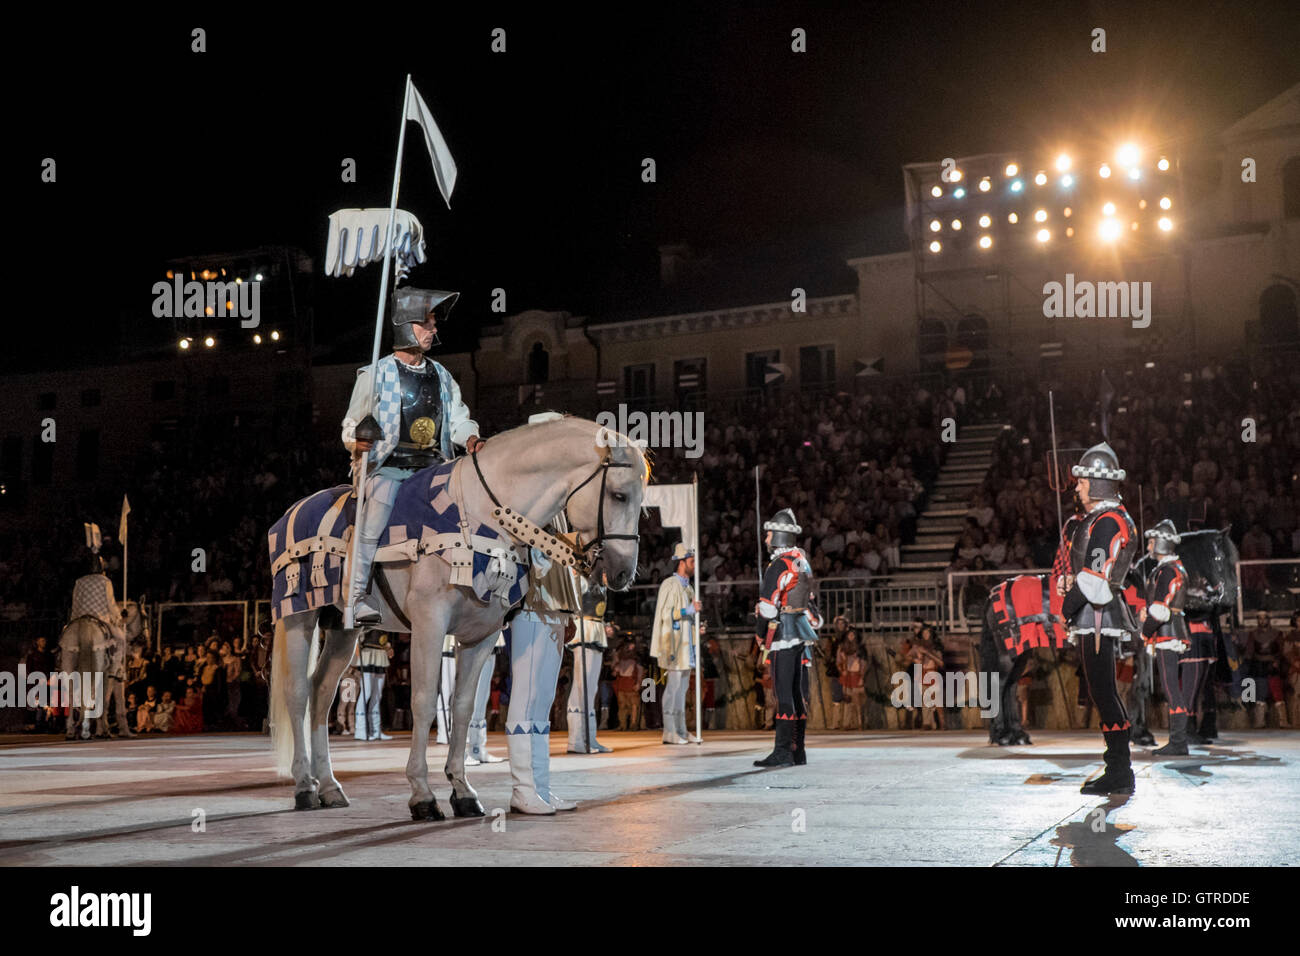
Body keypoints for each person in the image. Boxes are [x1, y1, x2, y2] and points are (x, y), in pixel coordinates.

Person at [341, 287, 484, 625]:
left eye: (434, 325)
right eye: (427, 324)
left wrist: (473, 437)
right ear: (406, 324)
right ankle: (355, 595)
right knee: (373, 517)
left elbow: (458, 421)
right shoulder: (375, 374)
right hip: (390, 467)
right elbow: (352, 421)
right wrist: (356, 441)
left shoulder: (442, 376)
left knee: (474, 508)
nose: (434, 331)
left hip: (436, 468)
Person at [1060, 443, 1140, 795]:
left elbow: (1094, 579)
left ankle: (1119, 770)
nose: (1077, 487)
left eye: (1082, 481)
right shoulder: (1106, 518)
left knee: (1104, 693)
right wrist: (1071, 582)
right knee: (1102, 691)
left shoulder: (1108, 520)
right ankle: (1118, 768)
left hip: (1097, 616)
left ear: (1097, 482)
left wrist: (1066, 606)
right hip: (1097, 613)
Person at [505, 512, 582, 814]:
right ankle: (523, 790)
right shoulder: (538, 498)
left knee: (542, 703)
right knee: (527, 697)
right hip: (532, 603)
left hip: (555, 607)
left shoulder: (561, 509)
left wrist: (569, 613)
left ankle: (541, 789)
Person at [753, 508, 823, 767]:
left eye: (769, 533)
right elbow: (809, 603)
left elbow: (769, 608)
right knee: (796, 693)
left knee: (783, 693)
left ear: (779, 535)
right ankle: (798, 750)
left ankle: (782, 751)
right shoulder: (801, 561)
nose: (766, 538)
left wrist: (760, 632)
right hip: (802, 633)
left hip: (783, 633)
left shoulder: (778, 565)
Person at [1141, 521, 1193, 755]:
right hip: (1170, 632)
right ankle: (1178, 741)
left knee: (1172, 689)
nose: (1149, 545)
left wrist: (1145, 631)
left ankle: (1179, 742)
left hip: (1167, 634)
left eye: (1152, 541)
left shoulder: (1168, 570)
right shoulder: (1172, 568)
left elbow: (1160, 610)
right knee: (1172, 687)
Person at [650, 542, 701, 745]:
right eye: (691, 561)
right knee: (673, 687)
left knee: (683, 689)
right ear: (682, 562)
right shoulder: (669, 585)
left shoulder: (689, 587)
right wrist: (686, 612)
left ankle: (681, 729)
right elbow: (665, 614)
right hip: (674, 644)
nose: (694, 565)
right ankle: (669, 730)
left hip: (687, 644)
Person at [567, 575, 613, 753]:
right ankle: (577, 740)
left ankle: (590, 738)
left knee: (591, 688)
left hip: (596, 630)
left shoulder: (601, 584)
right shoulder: (581, 579)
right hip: (584, 629)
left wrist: (607, 625)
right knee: (581, 686)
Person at [465, 632, 506, 765]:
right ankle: (462, 751)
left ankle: (477, 748)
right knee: (469, 697)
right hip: (471, 632)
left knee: (482, 697)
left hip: (489, 631)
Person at [355, 632, 394, 741]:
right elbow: (359, 634)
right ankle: (360, 730)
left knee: (377, 695)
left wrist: (388, 647)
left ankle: (376, 730)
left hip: (380, 654)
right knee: (366, 693)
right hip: (368, 653)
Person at [612, 640, 644, 731]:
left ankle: (633, 724)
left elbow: (640, 671)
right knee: (622, 705)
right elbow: (615, 670)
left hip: (631, 683)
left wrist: (638, 683)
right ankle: (622, 724)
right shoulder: (621, 659)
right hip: (622, 683)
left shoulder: (636, 659)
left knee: (634, 705)